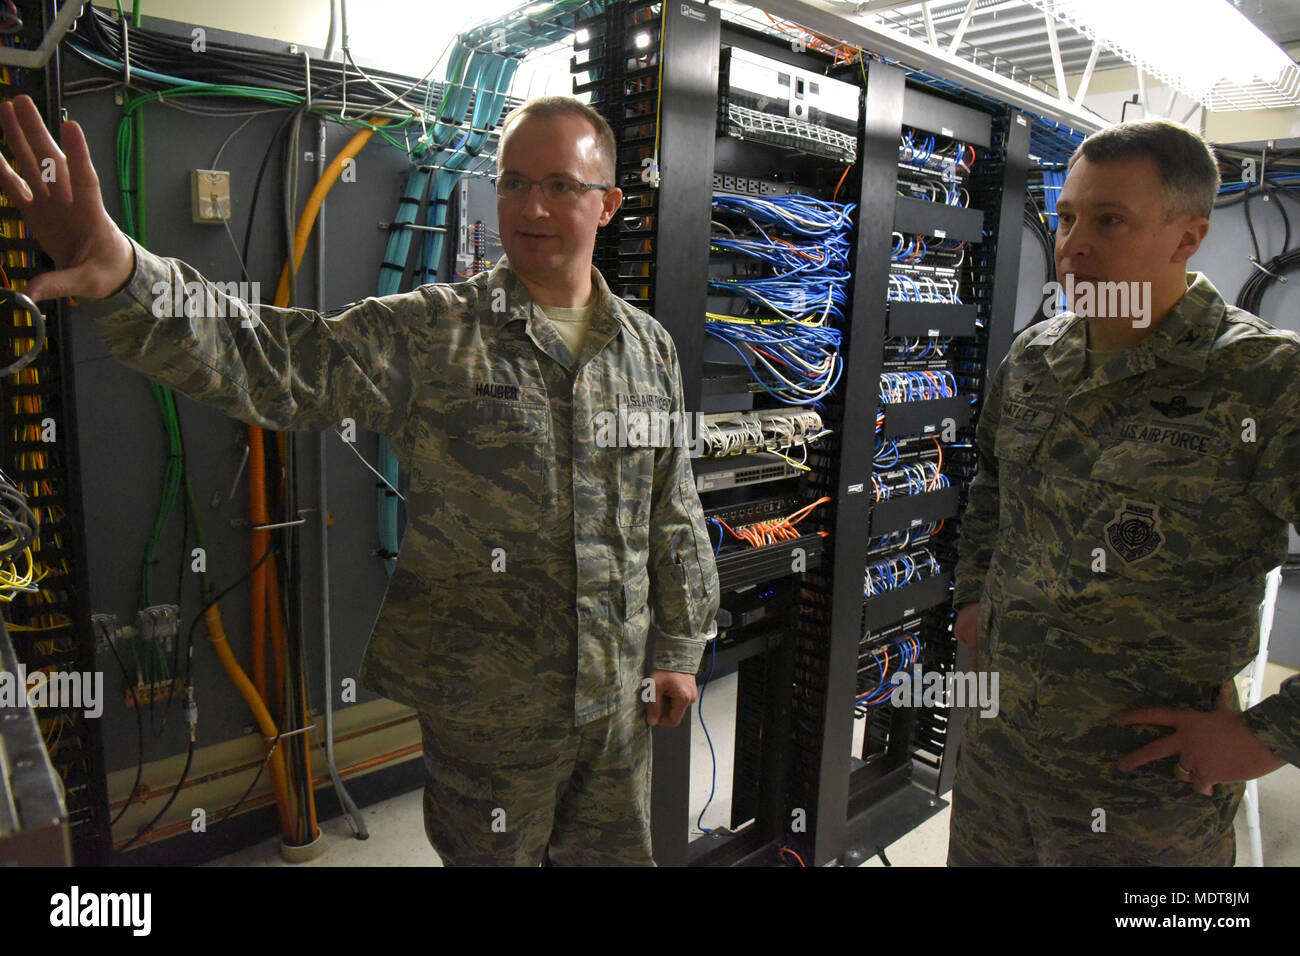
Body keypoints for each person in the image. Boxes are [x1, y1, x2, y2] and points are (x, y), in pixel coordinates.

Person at [0, 92, 719, 866]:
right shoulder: (435, 332)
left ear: (607, 204)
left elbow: (671, 508)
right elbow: (274, 357)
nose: (530, 206)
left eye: (558, 186)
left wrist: (678, 645)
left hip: (616, 702)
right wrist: (129, 277)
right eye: (513, 182)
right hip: (488, 709)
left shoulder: (649, 349)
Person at [947, 119, 1300, 866]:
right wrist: (975, 598)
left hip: (1145, 798)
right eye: (1068, 215)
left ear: (1186, 237)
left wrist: (1267, 738)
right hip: (997, 768)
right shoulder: (1037, 357)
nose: (1073, 244)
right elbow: (991, 485)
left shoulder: (1265, 382)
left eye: (1109, 220)